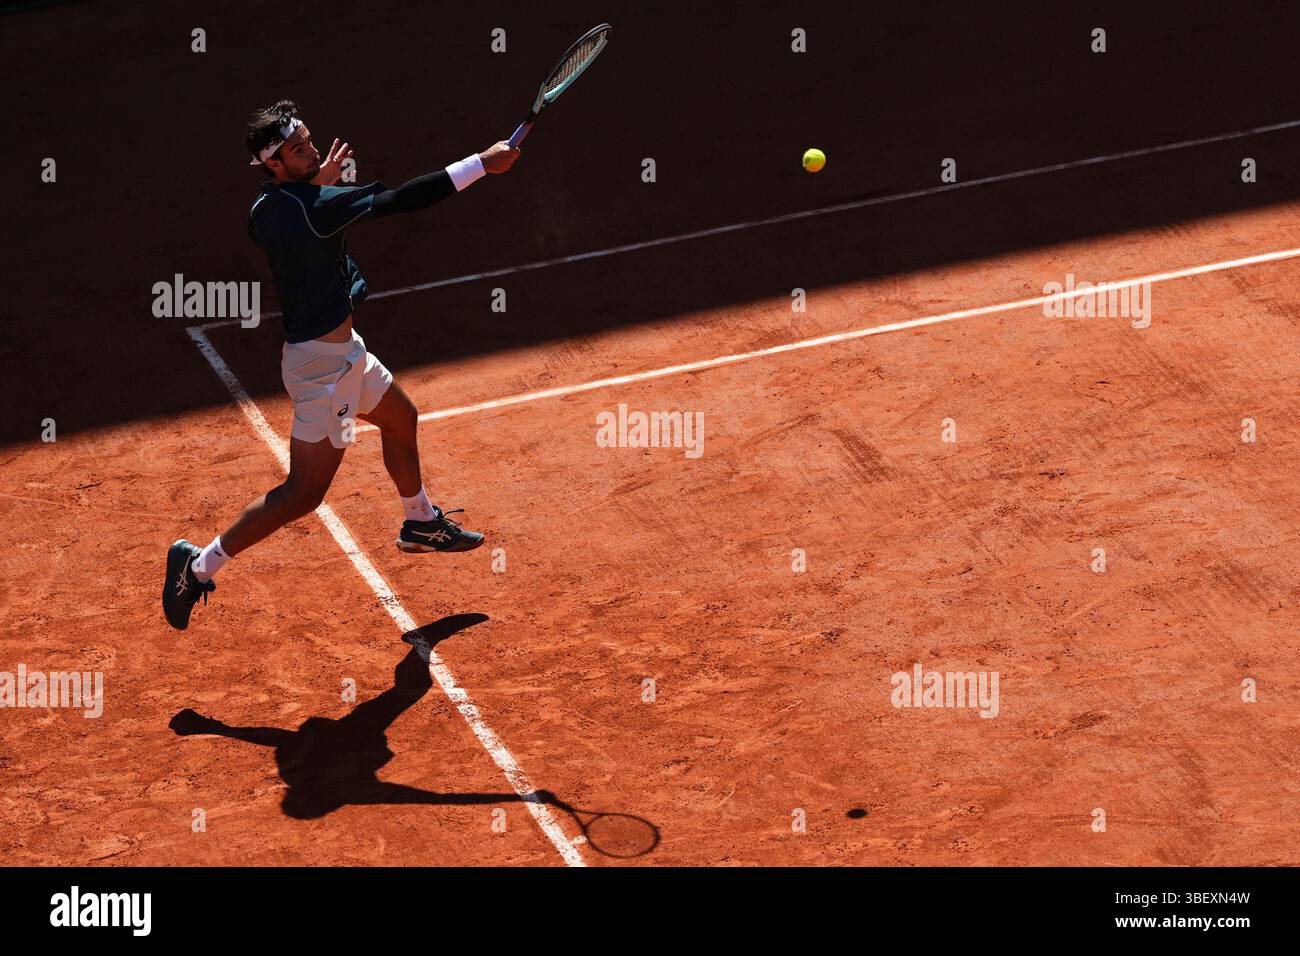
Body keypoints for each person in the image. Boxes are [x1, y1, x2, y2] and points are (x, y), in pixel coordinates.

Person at [163, 100, 520, 630]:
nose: (312, 152)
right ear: (273, 165)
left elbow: (289, 219)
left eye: (309, 142)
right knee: (303, 495)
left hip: (343, 353)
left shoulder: (267, 207)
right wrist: (481, 163)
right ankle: (196, 567)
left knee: (401, 419)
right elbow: (402, 200)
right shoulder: (315, 206)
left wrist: (314, 186)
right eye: (298, 151)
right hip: (323, 374)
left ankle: (420, 522)